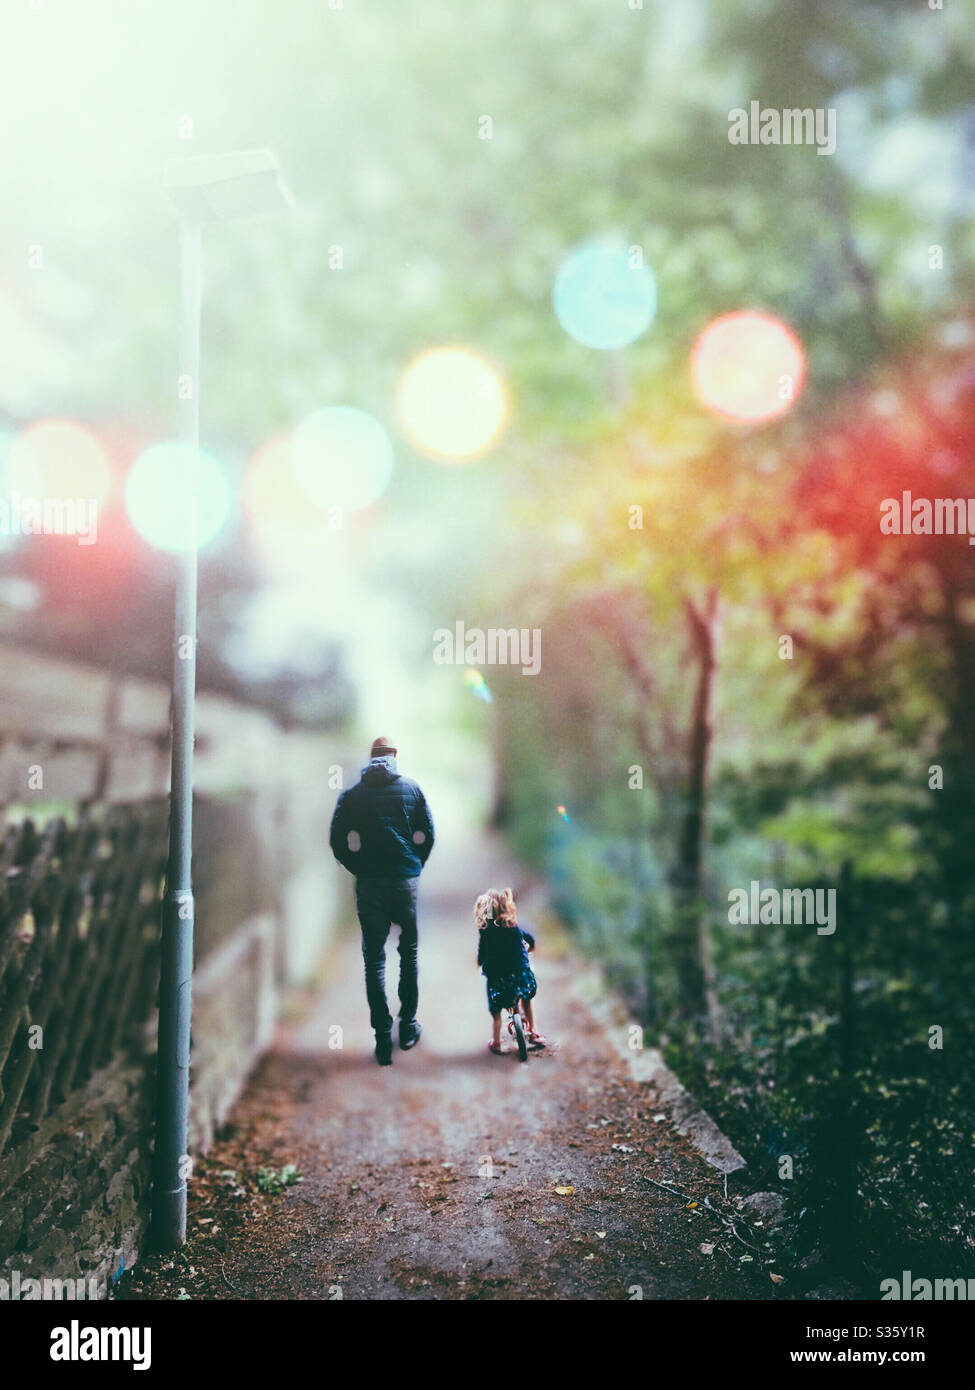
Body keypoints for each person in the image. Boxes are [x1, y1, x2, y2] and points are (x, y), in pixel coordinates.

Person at [329, 737, 435, 1065]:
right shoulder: (412, 789)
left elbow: (337, 840)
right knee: (409, 954)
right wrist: (414, 865)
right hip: (405, 883)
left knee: (374, 960)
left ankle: (381, 1038)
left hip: (370, 884)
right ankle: (407, 1028)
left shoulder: (352, 795)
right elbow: (427, 834)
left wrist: (356, 864)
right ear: (394, 757)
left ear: (371, 757)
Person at [475, 887, 547, 1054]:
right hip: (521, 976)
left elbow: (482, 953)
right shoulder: (513, 927)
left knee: (496, 1012)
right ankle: (533, 1031)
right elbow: (530, 939)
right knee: (526, 999)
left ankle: (497, 1041)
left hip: (497, 981)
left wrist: (480, 962)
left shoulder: (485, 932)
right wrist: (530, 948)